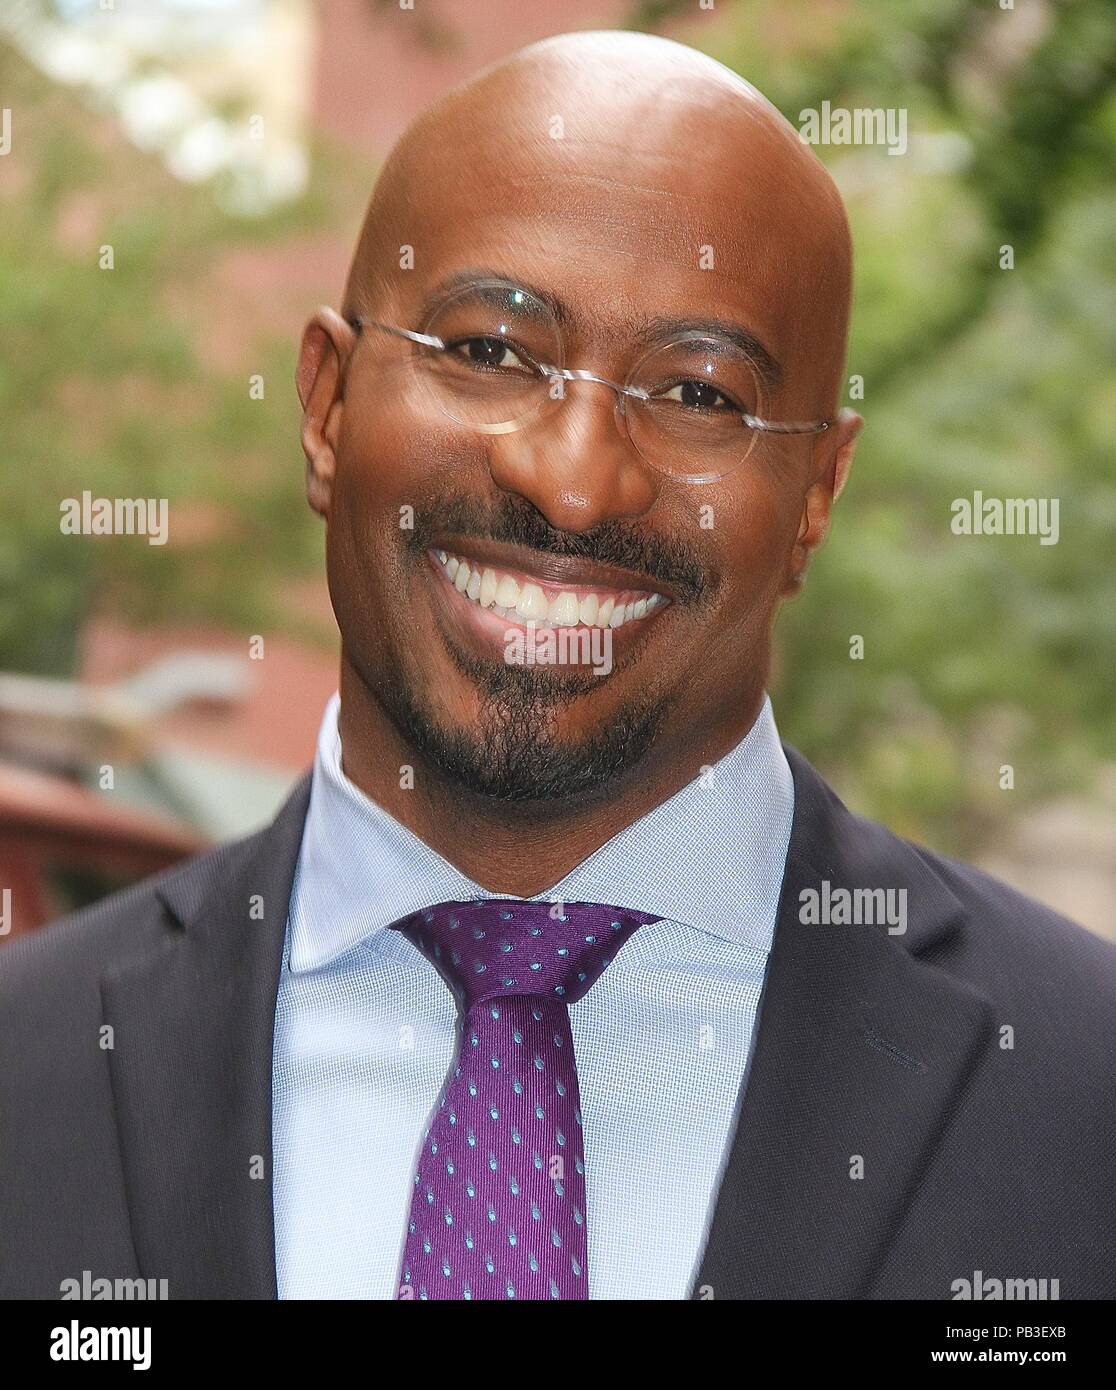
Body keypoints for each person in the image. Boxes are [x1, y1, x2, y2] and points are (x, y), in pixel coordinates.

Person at [2, 31, 1112, 1302]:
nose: (576, 481)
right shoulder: (22, 1070)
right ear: (324, 406)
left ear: (815, 496)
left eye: (700, 395)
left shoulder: (1086, 1093)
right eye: (488, 352)